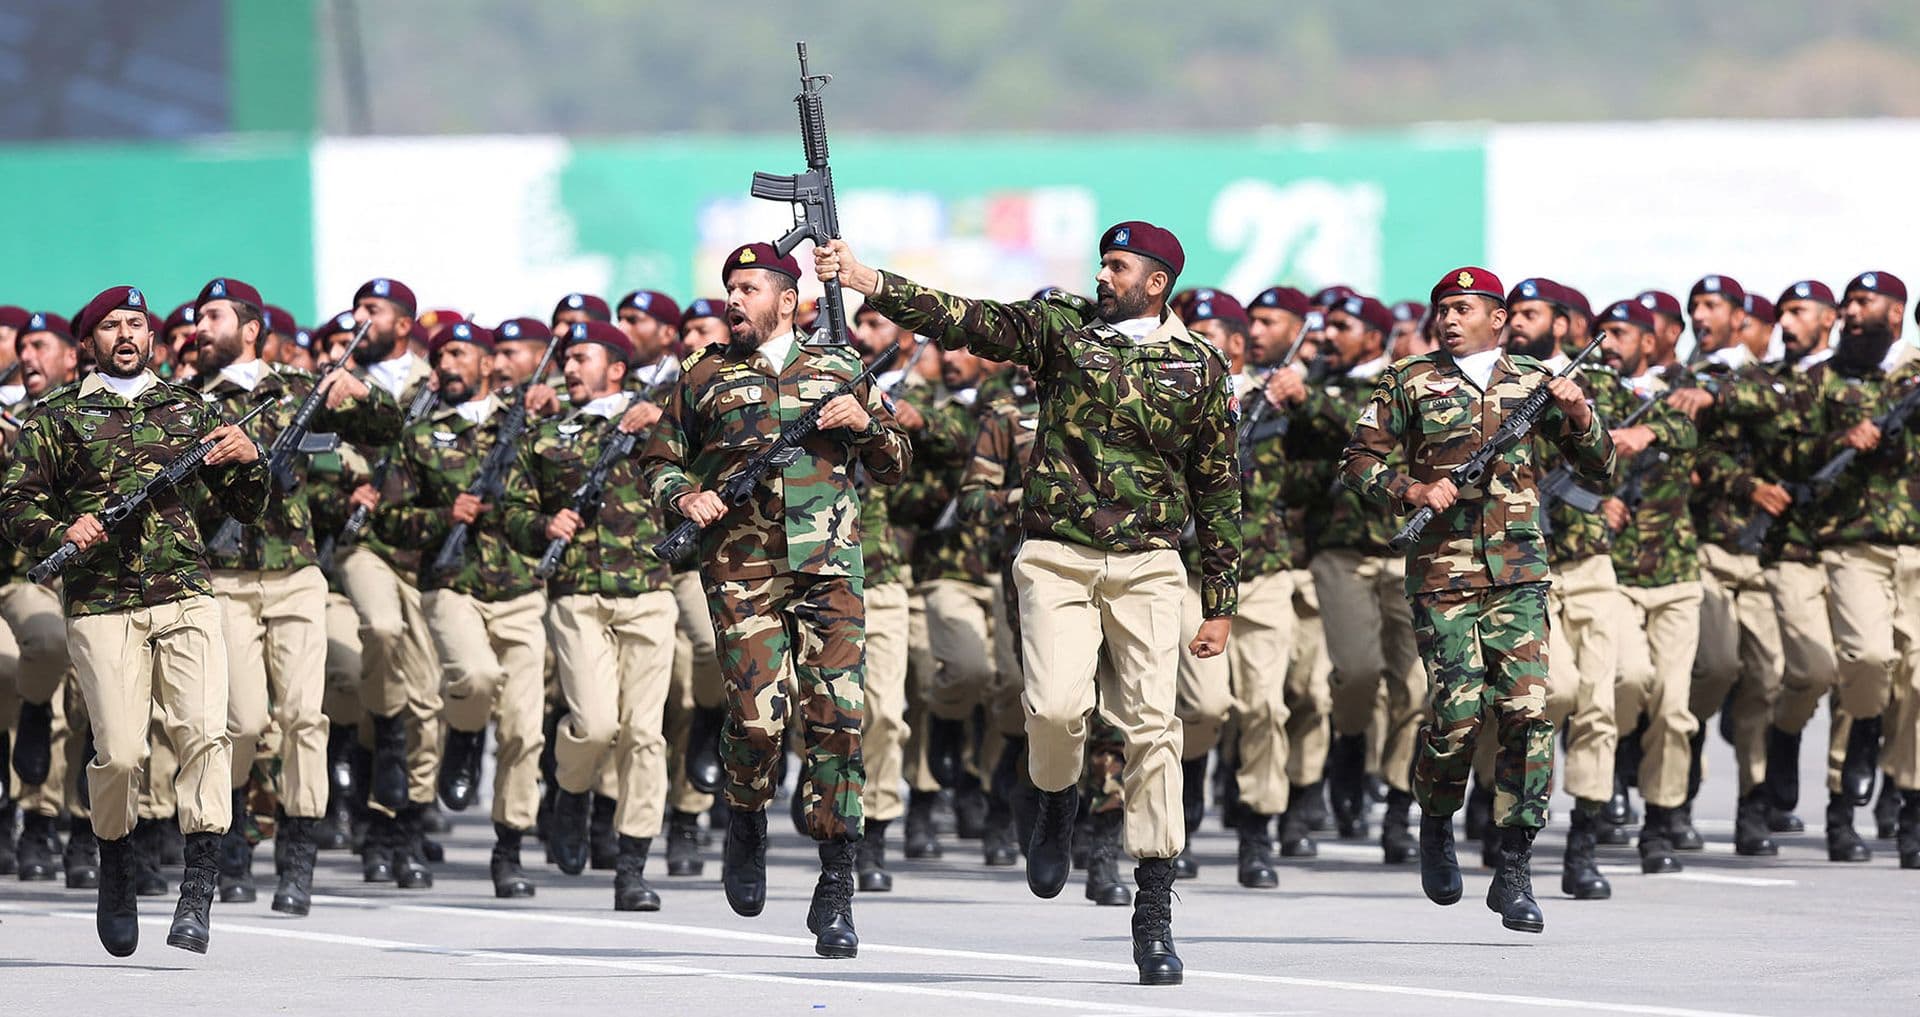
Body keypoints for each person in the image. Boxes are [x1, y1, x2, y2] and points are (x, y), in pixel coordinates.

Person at [816, 220, 1241, 986]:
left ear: (1157, 281)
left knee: (1152, 728)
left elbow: (1217, 483)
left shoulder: (1200, 364)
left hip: (1149, 562)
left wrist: (1219, 600)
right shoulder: (1061, 329)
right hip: (1056, 557)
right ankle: (1051, 799)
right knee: (1052, 710)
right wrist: (869, 280)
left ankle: (1152, 908)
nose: (1102, 276)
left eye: (1118, 267)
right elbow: (967, 317)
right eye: (1102, 263)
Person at [642, 242, 910, 959]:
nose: (735, 298)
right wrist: (684, 494)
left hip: (830, 570)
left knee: (838, 719)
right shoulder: (703, 374)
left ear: (788, 299)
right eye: (730, 287)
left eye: (750, 287)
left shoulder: (842, 367)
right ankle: (747, 811)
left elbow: (896, 462)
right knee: (758, 721)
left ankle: (836, 882)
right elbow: (658, 457)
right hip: (741, 568)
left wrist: (868, 426)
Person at [1339, 267, 1615, 934]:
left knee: (1528, 710)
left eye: (1463, 308)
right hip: (1444, 575)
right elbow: (1358, 459)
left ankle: (1515, 864)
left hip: (1519, 571)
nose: (1449, 319)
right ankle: (1436, 819)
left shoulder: (1535, 380)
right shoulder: (1408, 380)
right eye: (1442, 308)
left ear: (1498, 316)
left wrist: (1579, 413)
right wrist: (1410, 489)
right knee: (1458, 715)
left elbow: (1600, 469)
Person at [0, 285, 269, 956]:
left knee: (206, 732)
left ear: (151, 336)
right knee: (119, 751)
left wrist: (249, 459)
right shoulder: (55, 416)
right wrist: (65, 526)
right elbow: (15, 501)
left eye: (136, 323)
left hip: (183, 592)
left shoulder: (187, 408)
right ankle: (115, 860)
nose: (126, 333)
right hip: (100, 601)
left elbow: (245, 504)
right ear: (87, 341)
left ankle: (197, 885)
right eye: (111, 325)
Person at [188, 277, 396, 915]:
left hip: (296, 572)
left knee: (305, 717)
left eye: (213, 317)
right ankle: (237, 840)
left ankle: (297, 860)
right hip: (224, 575)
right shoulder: (186, 401)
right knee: (242, 722)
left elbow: (389, 429)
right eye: (199, 318)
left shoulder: (301, 387)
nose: (200, 327)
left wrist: (361, 390)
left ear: (250, 328)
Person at [514, 321, 678, 910]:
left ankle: (632, 866)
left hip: (649, 592)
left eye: (581, 357)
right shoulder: (545, 434)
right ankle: (571, 790)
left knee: (643, 733)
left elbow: (713, 464)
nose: (569, 366)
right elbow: (513, 506)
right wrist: (541, 525)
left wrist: (662, 423)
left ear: (615, 367)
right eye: (566, 357)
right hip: (578, 595)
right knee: (594, 725)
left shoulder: (662, 420)